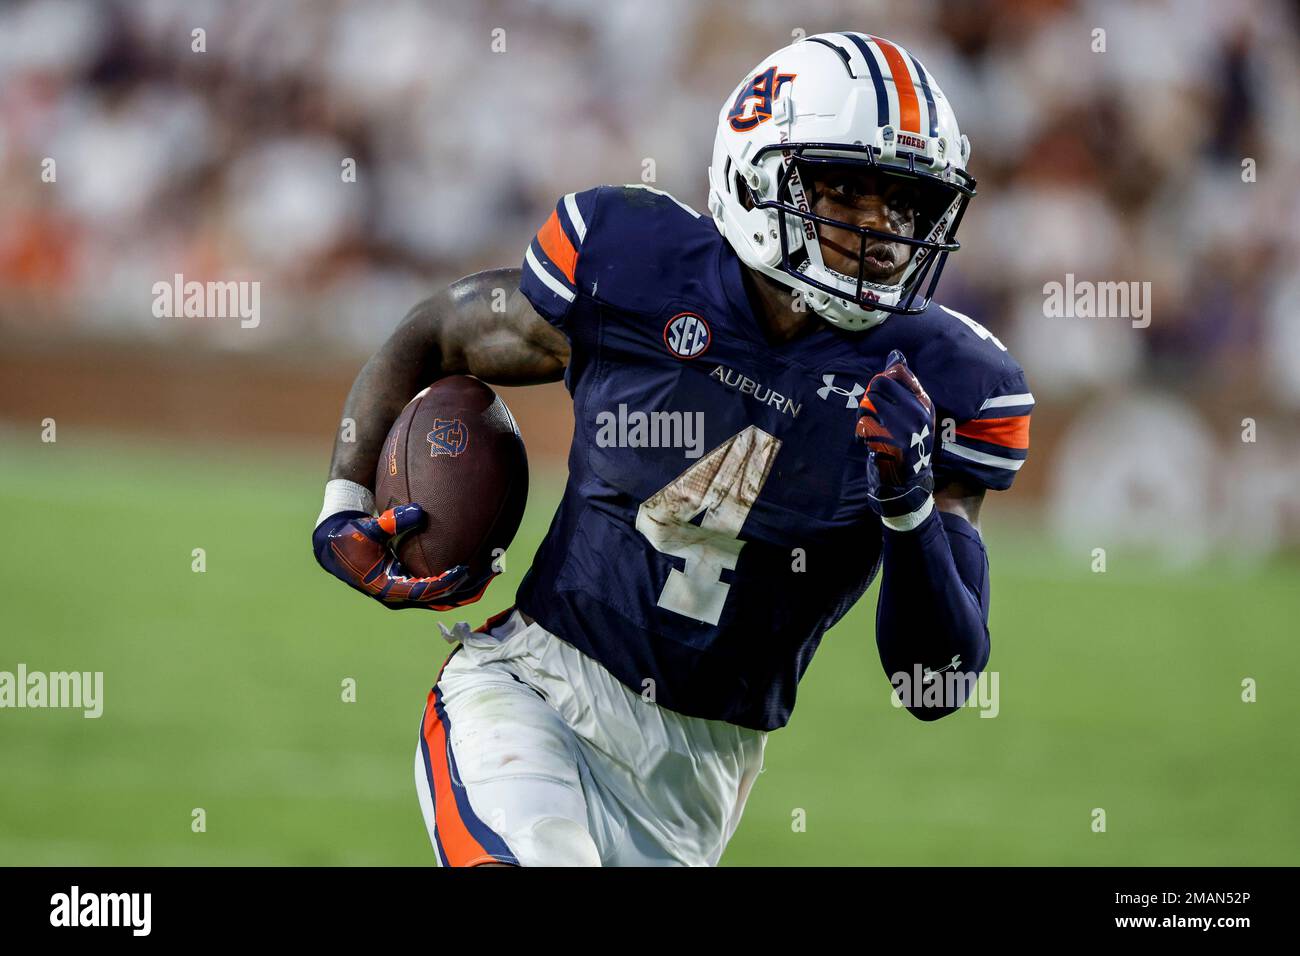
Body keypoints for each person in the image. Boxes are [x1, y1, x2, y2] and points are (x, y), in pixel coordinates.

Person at [312, 32, 1033, 866]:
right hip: (535, 693)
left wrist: (908, 508)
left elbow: (932, 685)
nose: (880, 227)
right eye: (846, 189)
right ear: (758, 175)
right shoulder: (637, 268)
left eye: (904, 202)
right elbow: (441, 331)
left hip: (698, 782)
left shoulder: (947, 380)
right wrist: (344, 503)